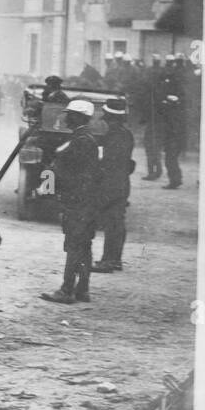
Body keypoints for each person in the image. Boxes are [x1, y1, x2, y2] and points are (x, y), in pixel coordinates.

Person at [41, 98, 101, 304]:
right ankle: (82, 290)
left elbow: (65, 171)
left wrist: (47, 188)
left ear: (78, 117)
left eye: (70, 115)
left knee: (75, 245)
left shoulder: (81, 141)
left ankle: (67, 290)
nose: (66, 118)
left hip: (78, 202)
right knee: (84, 245)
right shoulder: (85, 139)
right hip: (87, 202)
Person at [92, 98, 135, 272]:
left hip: (112, 182)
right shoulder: (124, 133)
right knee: (116, 221)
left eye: (106, 116)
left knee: (112, 222)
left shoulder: (115, 135)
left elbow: (111, 162)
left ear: (111, 117)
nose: (104, 119)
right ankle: (114, 260)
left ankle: (108, 261)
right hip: (121, 182)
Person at [156, 56, 186, 189]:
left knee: (170, 157)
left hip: (174, 134)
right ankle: (176, 179)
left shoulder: (174, 109)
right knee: (170, 157)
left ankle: (175, 180)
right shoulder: (177, 106)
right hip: (174, 133)